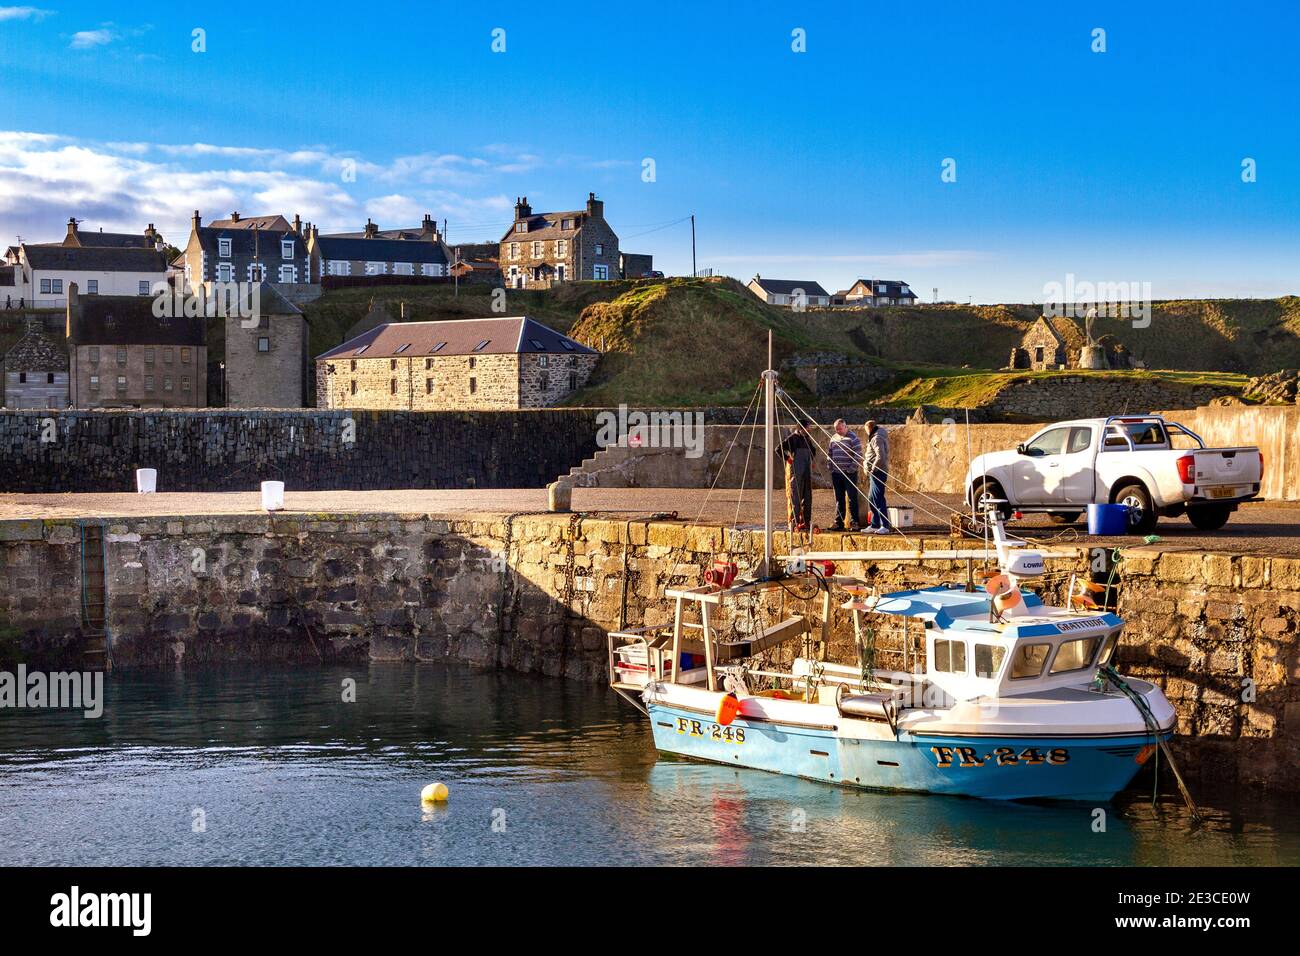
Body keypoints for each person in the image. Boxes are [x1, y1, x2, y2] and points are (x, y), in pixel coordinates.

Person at [778, 423, 815, 532]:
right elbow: (779, 449)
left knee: (807, 497)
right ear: (802, 428)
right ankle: (793, 523)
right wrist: (788, 458)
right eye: (808, 427)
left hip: (806, 471)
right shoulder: (792, 438)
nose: (809, 429)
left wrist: (812, 460)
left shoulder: (807, 439)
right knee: (795, 497)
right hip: (795, 472)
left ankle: (805, 522)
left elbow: (813, 450)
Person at [827, 418, 862, 531]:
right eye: (836, 429)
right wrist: (830, 466)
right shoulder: (834, 438)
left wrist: (851, 469)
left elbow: (858, 455)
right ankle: (838, 522)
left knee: (852, 498)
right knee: (839, 498)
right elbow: (829, 453)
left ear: (845, 427)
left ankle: (854, 522)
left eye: (840, 429)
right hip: (836, 473)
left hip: (849, 473)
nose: (838, 431)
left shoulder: (853, 438)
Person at [862, 419, 890, 534]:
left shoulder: (876, 438)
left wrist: (873, 469)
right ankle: (875, 524)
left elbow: (880, 456)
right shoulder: (876, 436)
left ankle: (885, 525)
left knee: (878, 498)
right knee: (872, 498)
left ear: (869, 428)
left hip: (878, 472)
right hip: (875, 472)